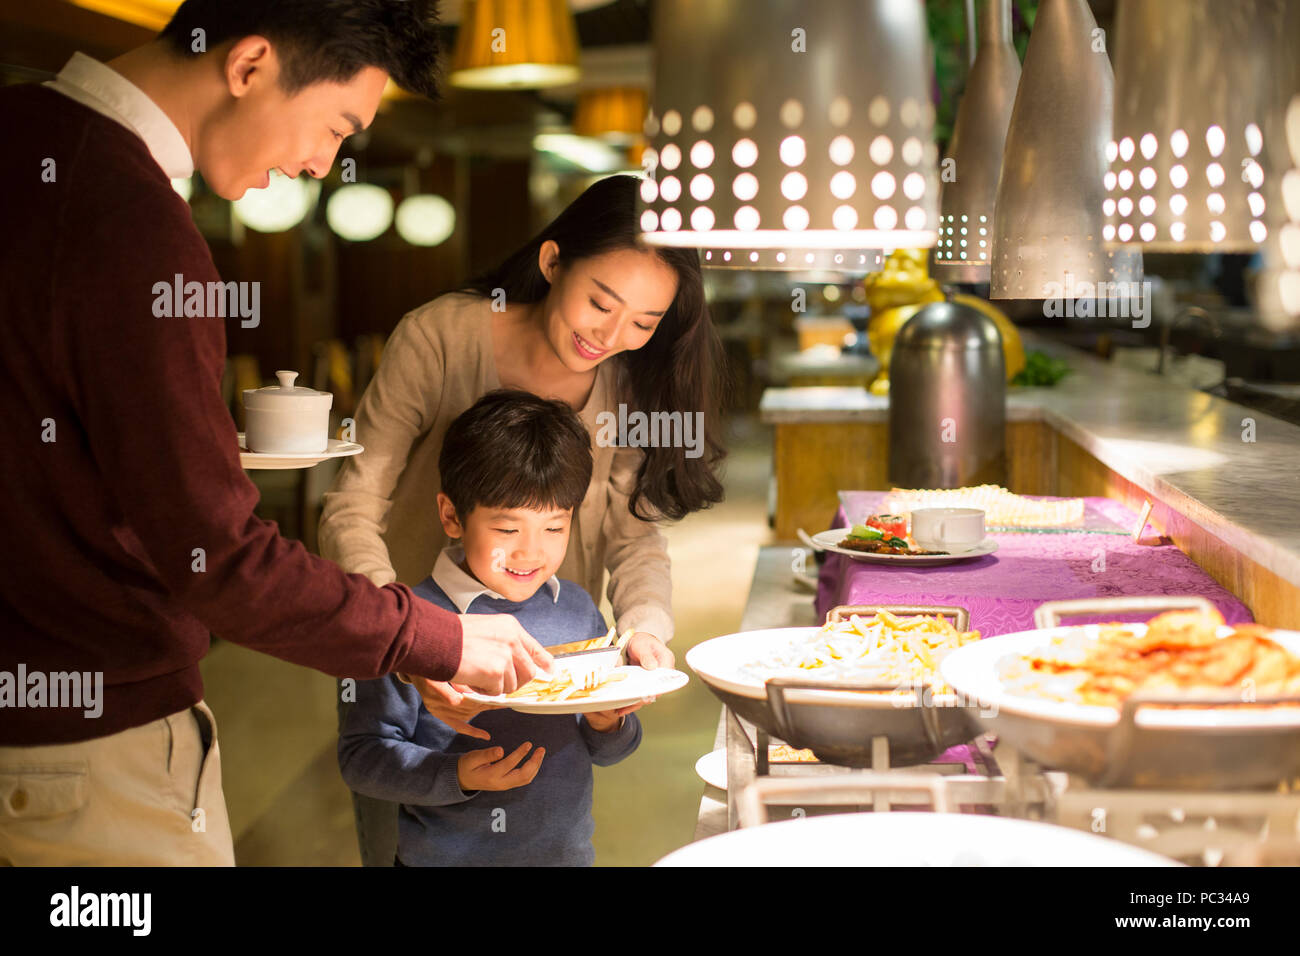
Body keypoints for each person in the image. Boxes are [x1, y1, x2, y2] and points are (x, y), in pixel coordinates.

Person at [0, 0, 548, 867]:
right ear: (250, 65)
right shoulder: (136, 227)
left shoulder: (20, 130)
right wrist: (430, 636)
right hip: (88, 752)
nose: (321, 166)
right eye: (334, 127)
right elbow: (213, 554)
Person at [319, 173, 728, 864]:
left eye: (644, 323)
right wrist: (411, 640)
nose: (612, 336)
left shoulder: (630, 380)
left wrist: (643, 635)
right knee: (412, 832)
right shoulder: (442, 336)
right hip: (410, 633)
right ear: (551, 261)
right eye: (601, 303)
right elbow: (353, 504)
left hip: (551, 651)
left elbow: (634, 539)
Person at [339, 390, 647, 866]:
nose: (530, 553)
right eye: (507, 530)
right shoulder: (407, 622)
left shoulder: (580, 612)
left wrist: (611, 722)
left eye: (554, 528)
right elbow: (362, 757)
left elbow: (608, 751)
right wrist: (456, 775)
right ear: (451, 516)